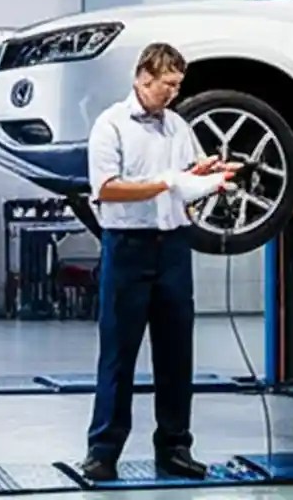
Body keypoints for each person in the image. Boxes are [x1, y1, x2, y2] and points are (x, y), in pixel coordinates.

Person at [78, 42, 239, 481]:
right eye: (167, 85)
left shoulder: (178, 126)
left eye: (178, 86)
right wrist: (165, 182)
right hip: (126, 247)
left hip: (173, 248)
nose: (172, 93)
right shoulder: (109, 125)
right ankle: (103, 452)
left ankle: (174, 448)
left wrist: (204, 174)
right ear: (142, 78)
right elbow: (107, 188)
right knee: (118, 354)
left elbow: (185, 178)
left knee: (176, 353)